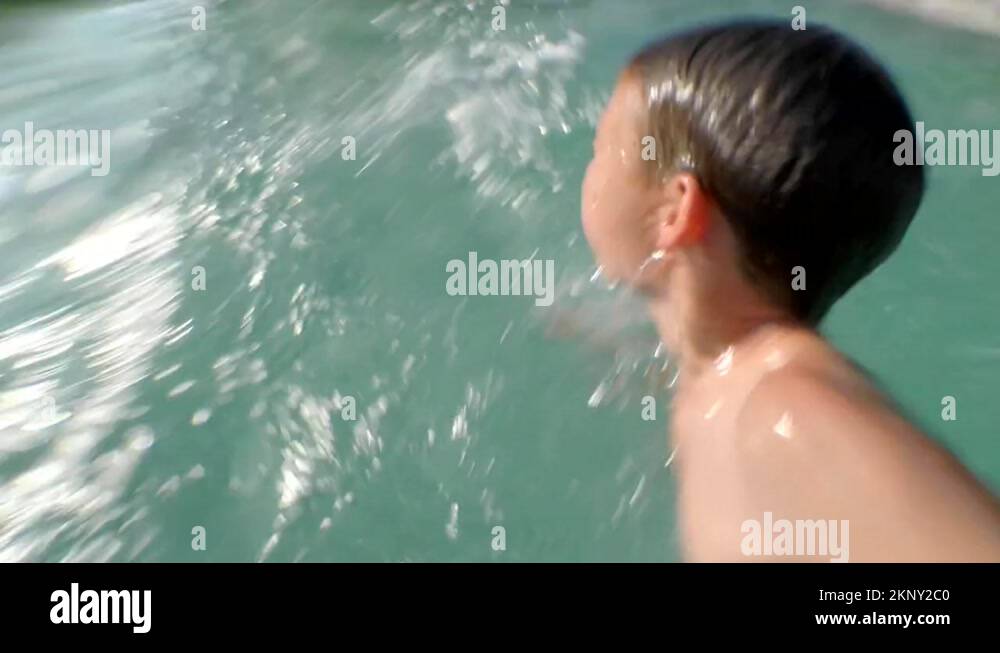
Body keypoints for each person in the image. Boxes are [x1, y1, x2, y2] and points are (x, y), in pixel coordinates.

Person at [580, 19, 1000, 561]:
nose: (588, 172)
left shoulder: (785, 410)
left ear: (673, 211)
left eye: (598, 150)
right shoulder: (723, 374)